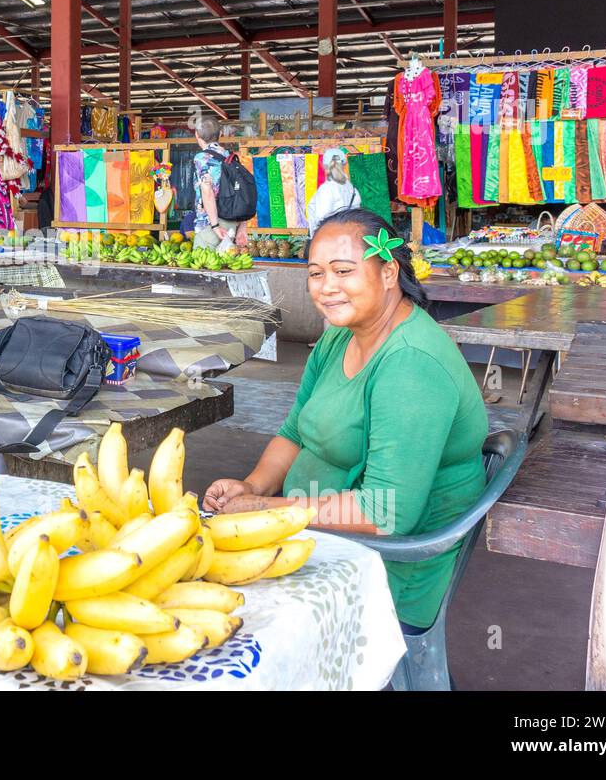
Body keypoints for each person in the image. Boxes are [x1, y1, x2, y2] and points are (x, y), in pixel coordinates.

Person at [203, 208, 488, 635]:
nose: (327, 287)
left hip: (384, 563)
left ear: (388, 272)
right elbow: (295, 431)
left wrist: (266, 510)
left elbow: (386, 513)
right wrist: (253, 486)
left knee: (219, 617)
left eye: (343, 271)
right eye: (316, 273)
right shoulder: (341, 335)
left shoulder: (410, 365)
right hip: (317, 536)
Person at [191, 116, 248, 252]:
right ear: (221, 134)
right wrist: (242, 226)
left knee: (203, 267)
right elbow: (242, 191)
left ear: (196, 134)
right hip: (231, 223)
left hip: (211, 224)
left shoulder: (202, 159)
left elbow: (207, 191)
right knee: (223, 268)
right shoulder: (230, 157)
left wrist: (215, 225)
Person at [305, 148, 362, 233]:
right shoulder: (352, 189)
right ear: (344, 165)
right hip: (347, 236)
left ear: (324, 165)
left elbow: (321, 220)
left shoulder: (326, 189)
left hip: (329, 238)